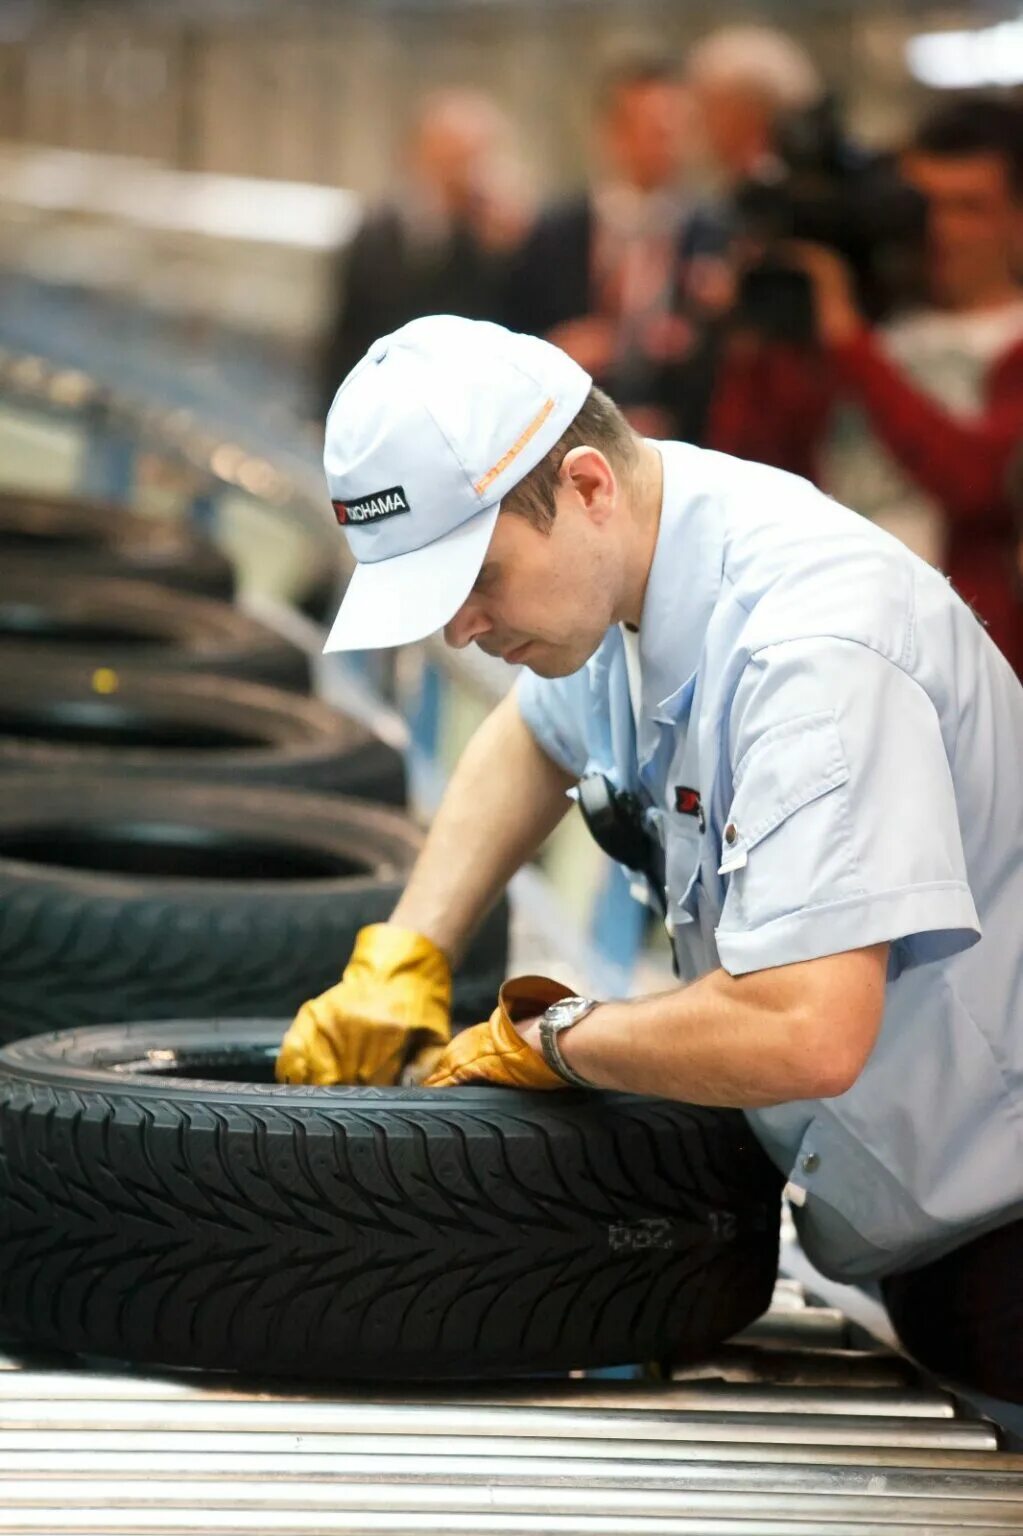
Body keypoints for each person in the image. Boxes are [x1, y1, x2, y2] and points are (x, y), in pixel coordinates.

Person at [278, 314, 1023, 1405]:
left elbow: (805, 1025)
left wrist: (553, 1038)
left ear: (585, 486)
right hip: (921, 1225)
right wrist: (405, 952)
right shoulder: (634, 565)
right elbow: (536, 736)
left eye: (476, 579)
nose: (461, 630)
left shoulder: (807, 654)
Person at [709, 97, 1023, 674]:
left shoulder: (1007, 347)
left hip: (973, 658)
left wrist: (852, 344)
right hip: (839, 645)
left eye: (970, 207)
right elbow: (752, 467)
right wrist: (761, 339)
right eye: (922, 205)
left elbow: (979, 485)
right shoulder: (857, 321)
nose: (940, 230)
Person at [504, 54, 727, 444]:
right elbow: (505, 339)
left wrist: (694, 346)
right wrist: (558, 349)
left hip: (685, 443)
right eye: (656, 130)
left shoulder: (716, 232)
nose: (671, 144)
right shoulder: (554, 234)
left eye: (681, 128)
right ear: (615, 134)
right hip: (571, 440)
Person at [317, 89, 530, 415]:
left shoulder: (504, 235)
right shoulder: (383, 233)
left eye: (473, 156)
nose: (462, 171)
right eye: (451, 157)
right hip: (389, 403)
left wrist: (510, 245)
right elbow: (347, 336)